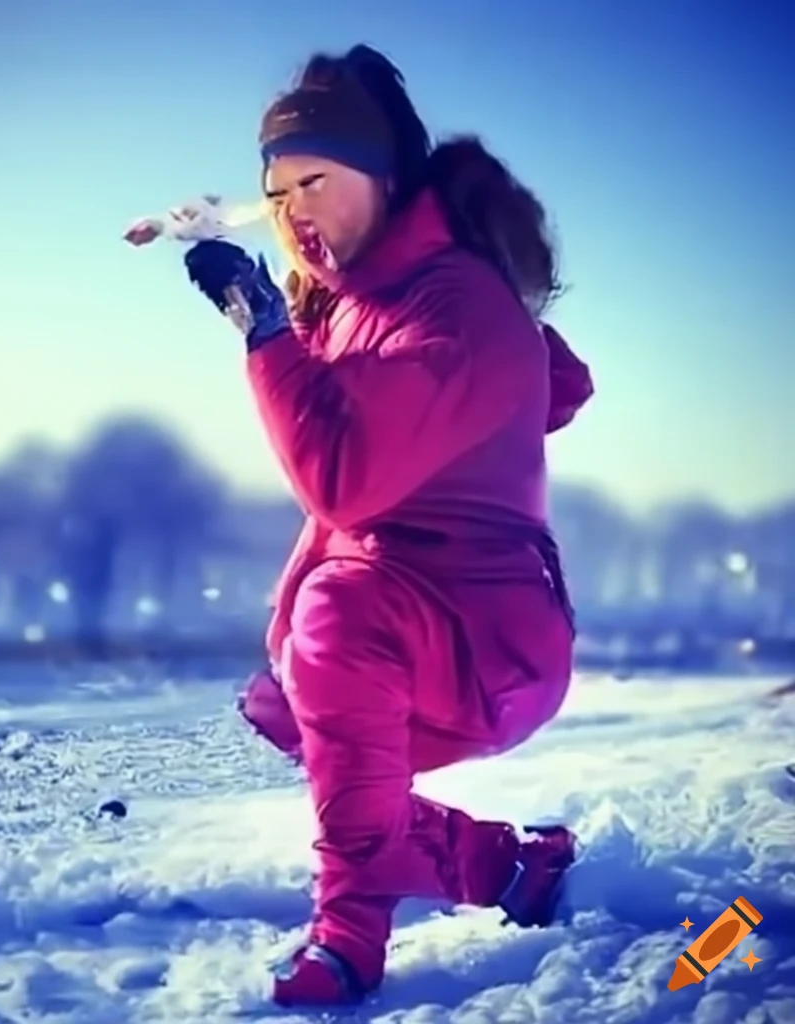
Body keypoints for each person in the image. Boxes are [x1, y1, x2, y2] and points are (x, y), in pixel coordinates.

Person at [182, 43, 594, 1007]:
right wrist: (283, 321)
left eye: (316, 182)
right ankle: (509, 867)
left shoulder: (454, 299)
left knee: (333, 624)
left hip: (486, 642)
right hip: (418, 620)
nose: (295, 213)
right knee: (290, 700)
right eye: (276, 195)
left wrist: (262, 333)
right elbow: (556, 388)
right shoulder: (355, 307)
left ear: (384, 179)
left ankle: (348, 937)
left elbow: (343, 477)